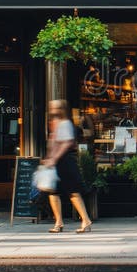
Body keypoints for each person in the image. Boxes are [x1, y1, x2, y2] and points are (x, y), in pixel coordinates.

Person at [43, 99, 92, 234]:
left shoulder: (65, 124)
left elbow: (66, 143)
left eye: (57, 108)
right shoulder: (54, 124)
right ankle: (58, 222)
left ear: (62, 110)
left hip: (66, 161)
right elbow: (53, 144)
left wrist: (54, 158)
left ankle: (86, 220)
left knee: (73, 192)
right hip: (56, 162)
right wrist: (49, 158)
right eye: (52, 108)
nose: (53, 110)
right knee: (53, 192)